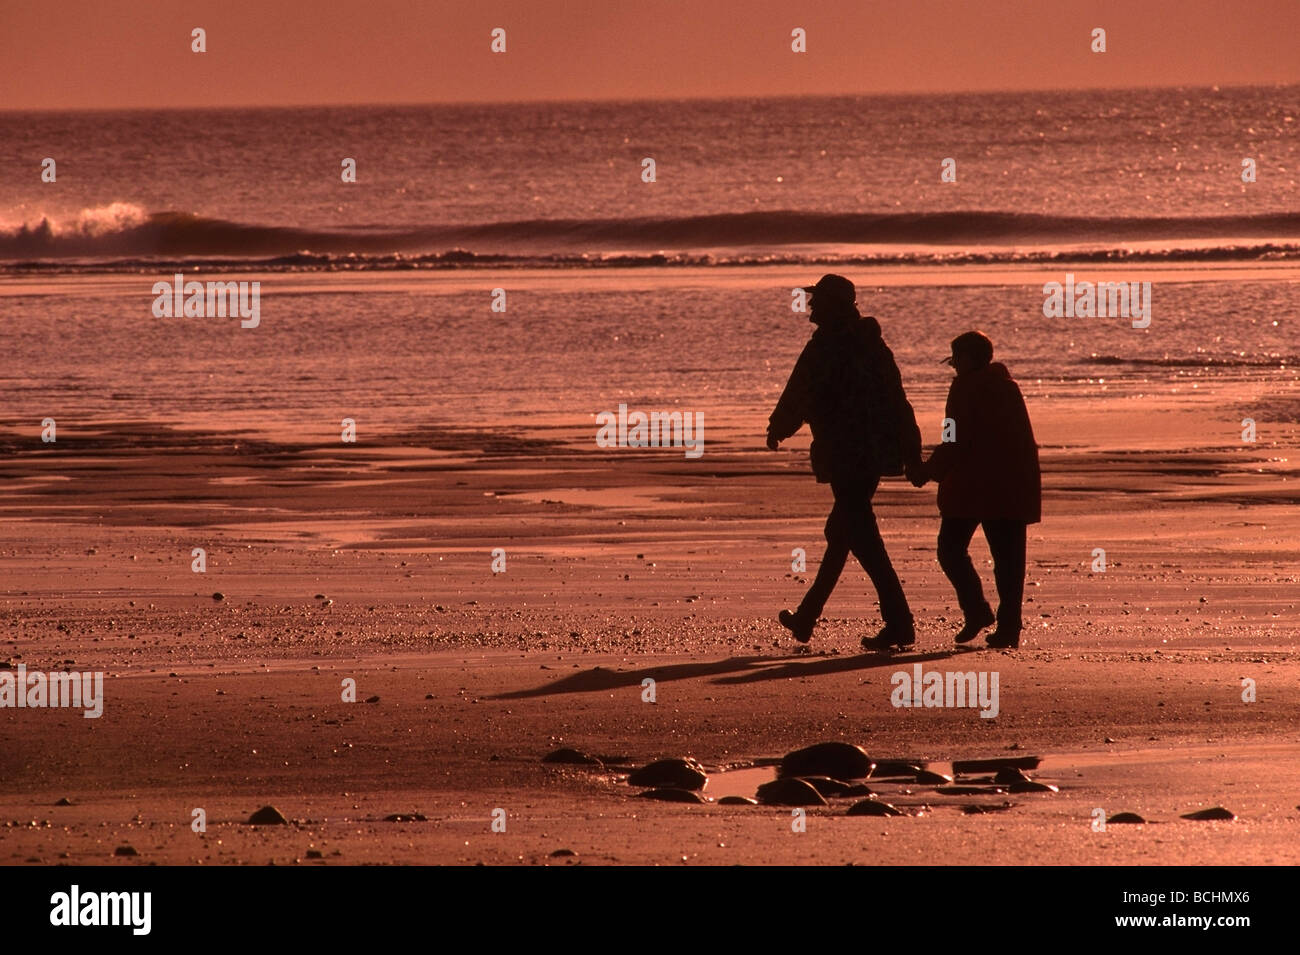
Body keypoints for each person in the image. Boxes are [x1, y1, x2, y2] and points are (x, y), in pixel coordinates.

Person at [766, 274, 923, 651]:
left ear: (835, 306)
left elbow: (799, 392)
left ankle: (900, 624)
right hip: (872, 455)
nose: (811, 305)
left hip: (845, 455)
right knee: (843, 533)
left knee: (862, 538)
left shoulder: (826, 348)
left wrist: (778, 427)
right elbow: (898, 401)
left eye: (817, 300)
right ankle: (807, 617)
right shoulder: (873, 345)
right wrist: (910, 451)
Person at [910, 331, 1041, 649]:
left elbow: (952, 436)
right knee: (1009, 561)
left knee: (950, 550)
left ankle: (978, 609)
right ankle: (1009, 626)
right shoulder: (1008, 386)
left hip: (973, 487)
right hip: (1012, 484)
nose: (954, 366)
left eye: (955, 360)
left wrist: (929, 470)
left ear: (966, 359)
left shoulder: (964, 388)